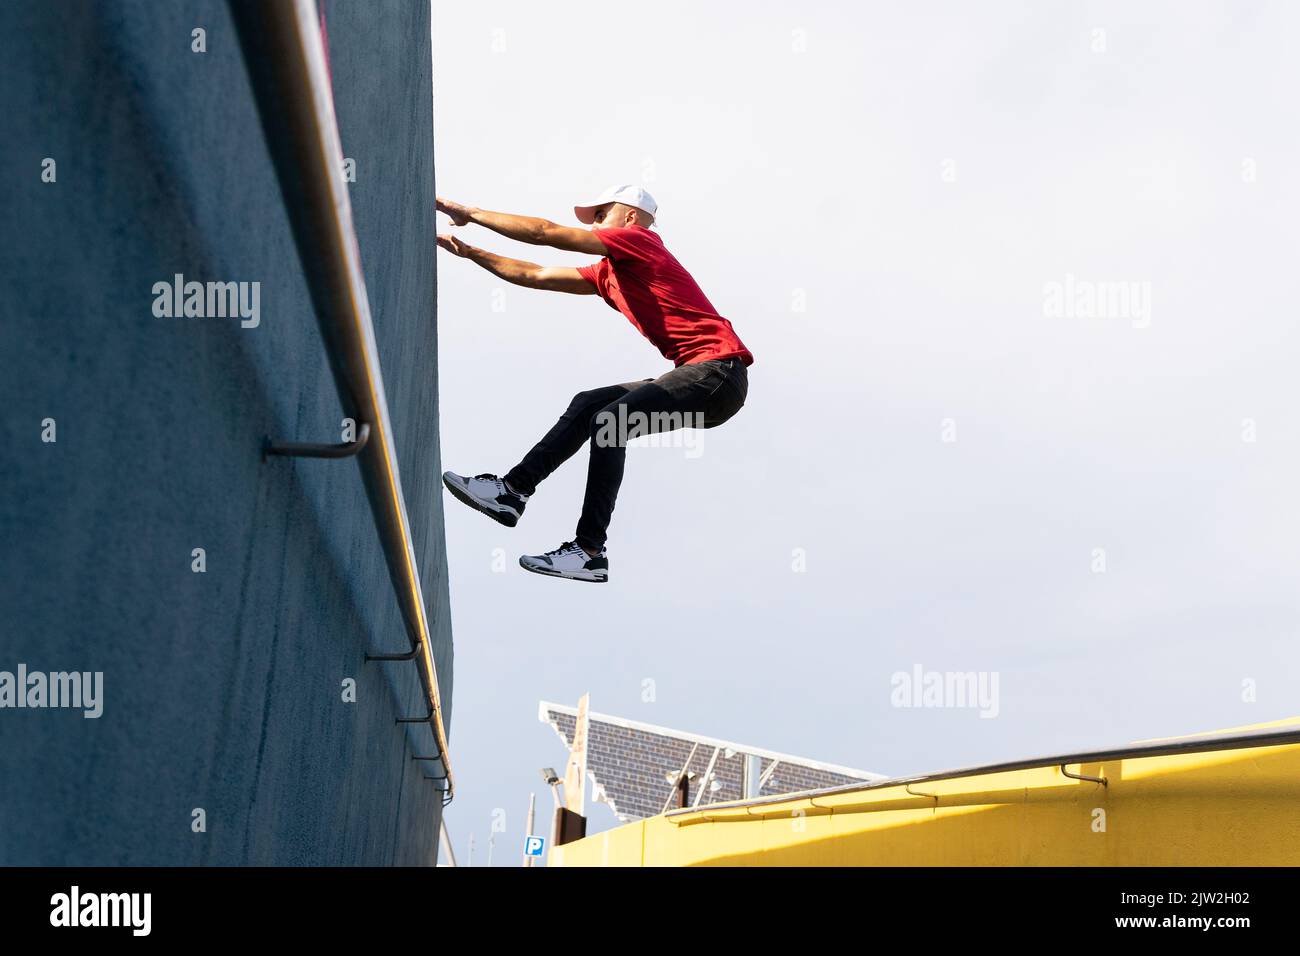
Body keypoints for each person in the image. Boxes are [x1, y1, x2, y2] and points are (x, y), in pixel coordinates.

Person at [436, 184, 753, 582]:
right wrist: (471, 252)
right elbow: (534, 274)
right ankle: (511, 493)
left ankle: (588, 551)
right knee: (590, 404)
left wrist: (471, 212)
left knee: (610, 421)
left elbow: (543, 234)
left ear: (631, 218)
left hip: (718, 373)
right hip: (702, 379)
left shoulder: (640, 242)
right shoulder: (608, 274)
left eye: (603, 215)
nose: (597, 225)